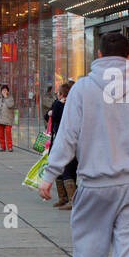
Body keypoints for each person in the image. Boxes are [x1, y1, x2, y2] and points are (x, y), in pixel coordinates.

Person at [38, 31, 129, 257]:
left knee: (88, 254)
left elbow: (67, 136)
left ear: (99, 54)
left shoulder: (82, 89)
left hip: (96, 184)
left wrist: (50, 174)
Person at [47, 81, 78, 209]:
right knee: (61, 172)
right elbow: (47, 115)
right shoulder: (58, 103)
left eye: (59, 93)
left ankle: (72, 199)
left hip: (66, 141)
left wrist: (55, 109)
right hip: (58, 139)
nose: (57, 95)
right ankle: (63, 197)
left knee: (68, 171)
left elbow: (55, 116)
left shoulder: (69, 105)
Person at [0, 84, 16, 152]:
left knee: (8, 133)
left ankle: (10, 147)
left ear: (8, 91)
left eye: (5, 90)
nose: (4, 91)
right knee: (0, 134)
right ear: (1, 91)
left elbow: (10, 105)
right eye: (3, 90)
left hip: (8, 119)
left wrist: (6, 97)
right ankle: (2, 147)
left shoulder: (10, 98)